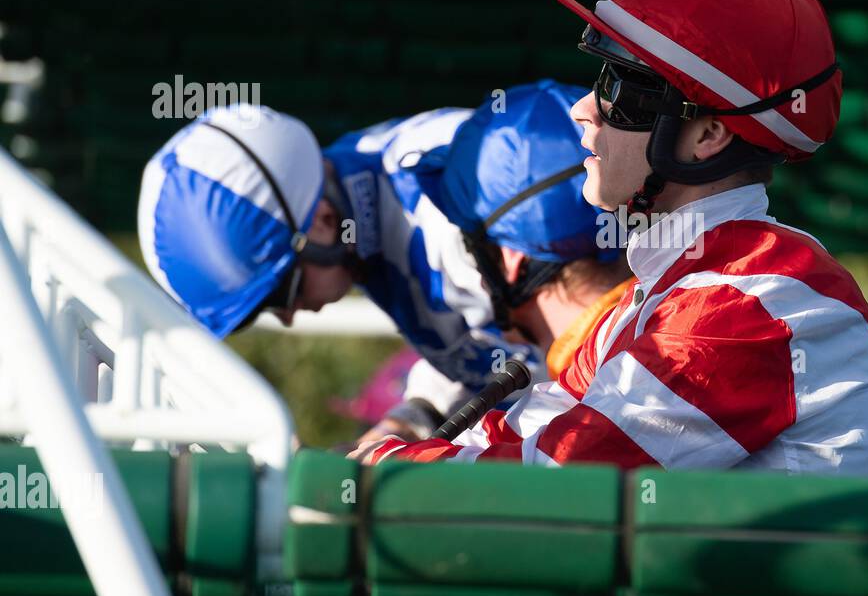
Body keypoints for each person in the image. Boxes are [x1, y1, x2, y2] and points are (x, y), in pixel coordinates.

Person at [355, 0, 868, 478]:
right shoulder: (654, 300)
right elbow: (514, 439)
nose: (585, 110)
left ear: (708, 135)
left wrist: (383, 468)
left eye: (620, 90)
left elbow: (553, 484)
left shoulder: (752, 299)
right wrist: (395, 452)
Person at [138, 80, 631, 442]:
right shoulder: (352, 184)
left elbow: (589, 372)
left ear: (322, 224)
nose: (288, 317)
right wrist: (413, 415)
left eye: (279, 295)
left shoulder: (457, 217)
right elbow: (477, 351)